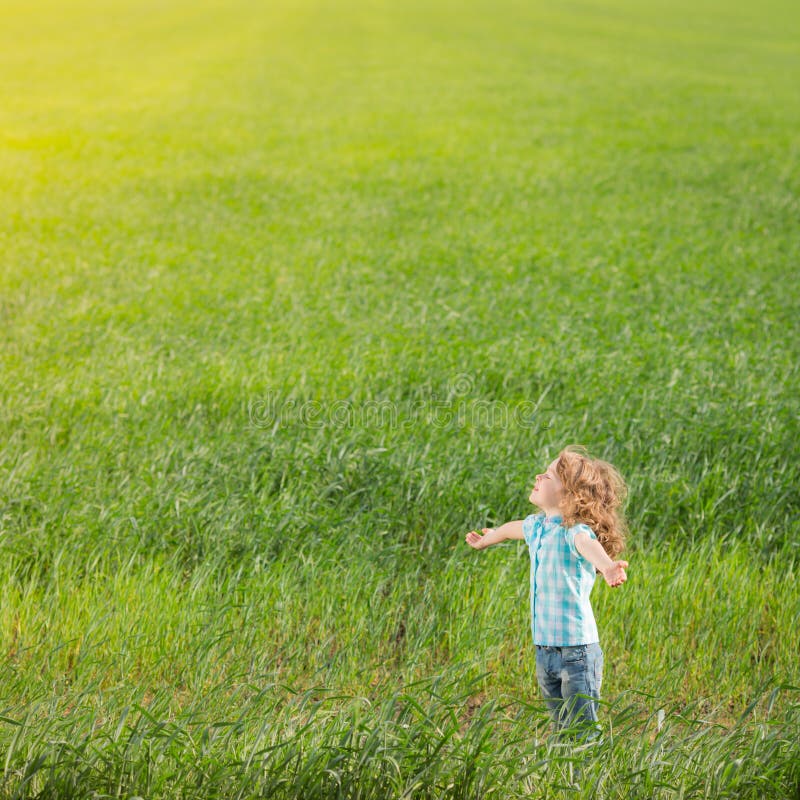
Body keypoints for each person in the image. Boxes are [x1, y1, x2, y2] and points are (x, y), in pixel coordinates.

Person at [464, 443, 630, 745]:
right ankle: (564, 773)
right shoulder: (537, 527)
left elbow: (589, 546)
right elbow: (511, 528)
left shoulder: (574, 532)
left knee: (581, 728)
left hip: (577, 652)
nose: (539, 476)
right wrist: (489, 538)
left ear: (569, 495)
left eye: (549, 475)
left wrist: (607, 568)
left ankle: (586, 775)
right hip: (545, 650)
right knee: (560, 725)